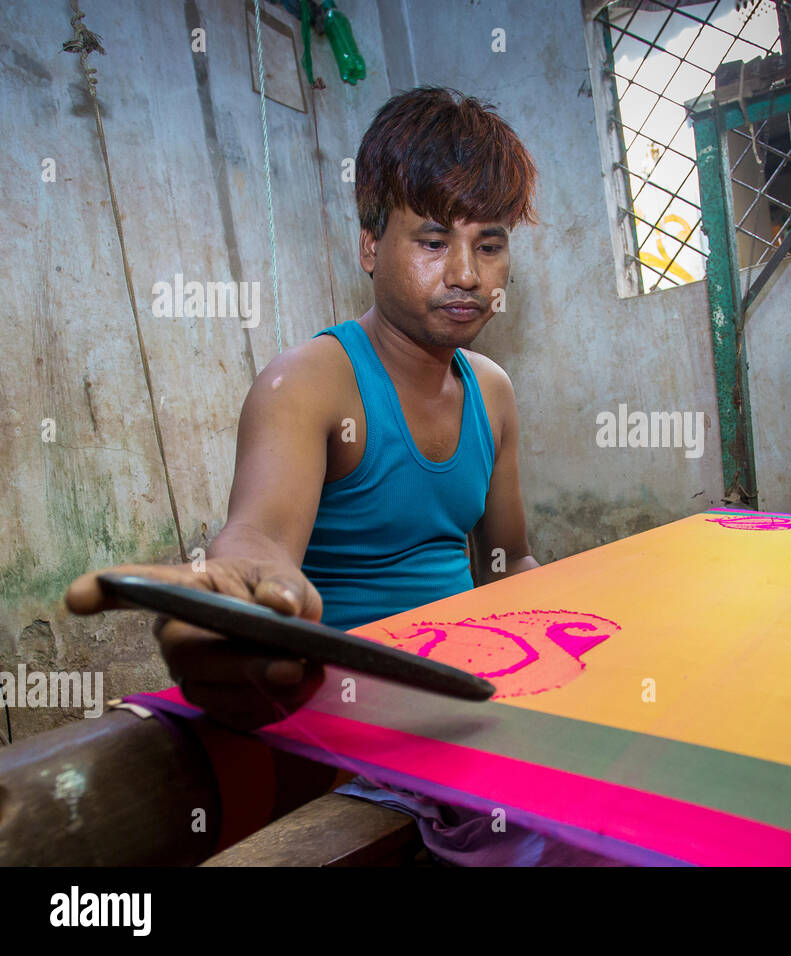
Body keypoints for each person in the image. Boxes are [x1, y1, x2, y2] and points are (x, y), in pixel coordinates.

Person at [63, 87, 603, 864]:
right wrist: (243, 596)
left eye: (489, 245)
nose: (464, 273)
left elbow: (505, 564)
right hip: (347, 733)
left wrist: (590, 634)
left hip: (463, 706)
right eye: (430, 240)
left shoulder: (492, 390)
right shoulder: (309, 382)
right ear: (369, 246)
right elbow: (258, 545)